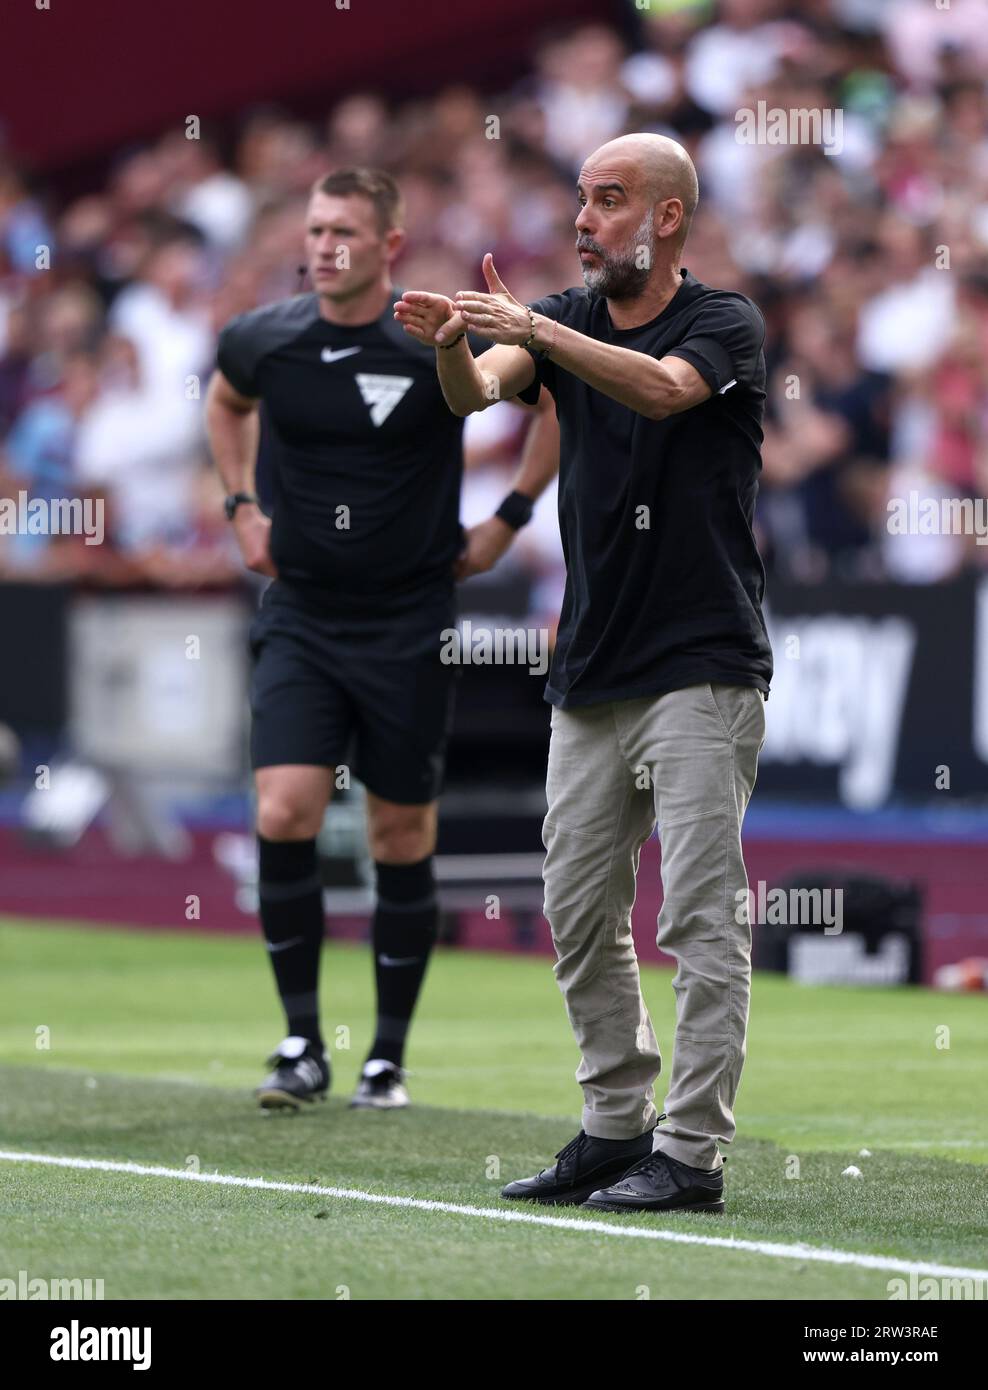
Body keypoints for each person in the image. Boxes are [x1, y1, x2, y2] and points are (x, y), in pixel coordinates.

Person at [396, 132, 771, 1212]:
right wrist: (454, 343)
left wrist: (537, 333)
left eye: (608, 201)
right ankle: (616, 1126)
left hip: (700, 660)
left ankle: (691, 1153)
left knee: (700, 918)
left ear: (663, 217)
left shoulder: (722, 321)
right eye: (580, 199)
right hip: (592, 664)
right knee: (574, 904)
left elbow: (661, 391)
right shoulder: (556, 320)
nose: (583, 219)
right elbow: (476, 397)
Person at [206, 167, 558, 1111]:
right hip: (303, 616)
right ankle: (299, 1043)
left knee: (403, 834)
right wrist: (241, 508)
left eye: (345, 232)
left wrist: (509, 521)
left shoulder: (437, 336)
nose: (325, 247)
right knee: (284, 811)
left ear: (390, 245)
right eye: (316, 229)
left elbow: (552, 399)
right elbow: (224, 401)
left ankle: (387, 1057)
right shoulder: (265, 339)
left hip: (411, 620)